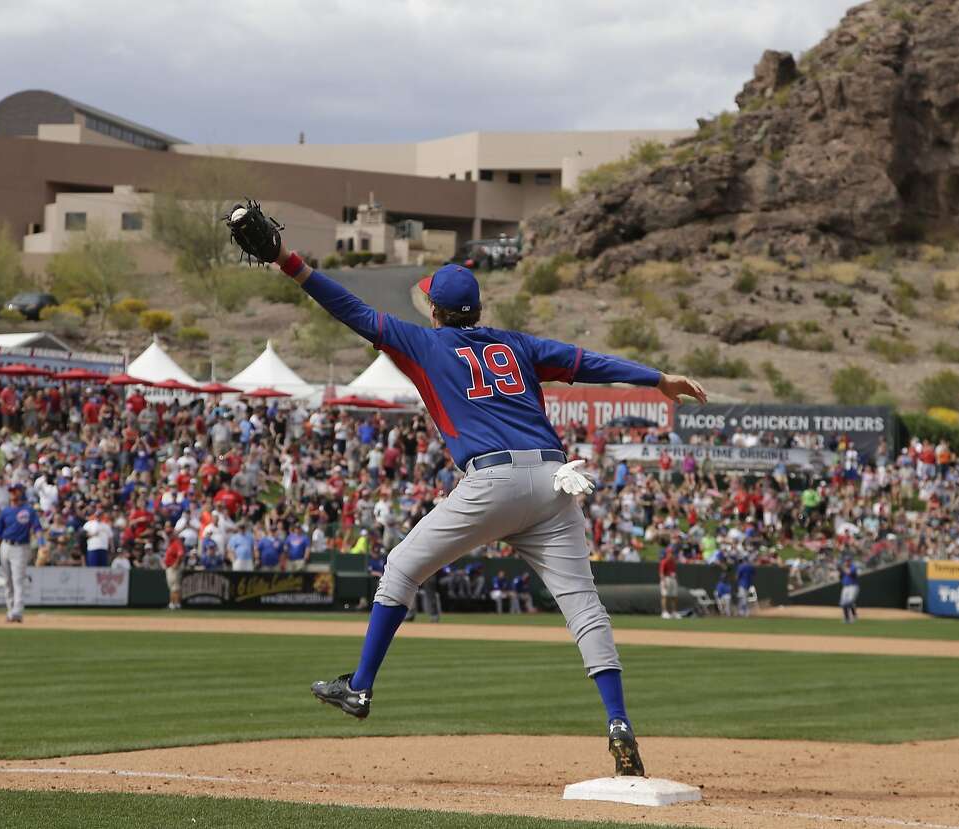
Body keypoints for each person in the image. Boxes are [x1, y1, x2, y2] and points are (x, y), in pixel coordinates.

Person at [234, 223, 705, 778]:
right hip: (556, 481)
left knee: (402, 570)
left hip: (492, 480)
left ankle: (359, 688)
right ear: (475, 310)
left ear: (435, 310)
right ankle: (619, 722)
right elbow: (589, 361)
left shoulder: (424, 342)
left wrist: (289, 260)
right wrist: (656, 378)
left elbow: (351, 309)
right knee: (583, 605)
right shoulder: (518, 345)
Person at [0, 483, 42, 623]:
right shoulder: (5, 511)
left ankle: (17, 612)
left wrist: (42, 544)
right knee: (8, 581)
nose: (13, 493)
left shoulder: (28, 510)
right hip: (5, 546)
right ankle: (11, 610)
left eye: (15, 491)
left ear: (21, 492)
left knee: (18, 580)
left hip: (21, 547)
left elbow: (37, 528)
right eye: (11, 491)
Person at [658, 546, 679, 619]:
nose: (672, 555)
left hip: (673, 579)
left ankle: (674, 612)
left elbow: (674, 572)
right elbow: (661, 573)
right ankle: (664, 612)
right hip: (666, 579)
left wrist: (676, 580)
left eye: (673, 553)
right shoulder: (664, 561)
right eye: (671, 553)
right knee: (665, 596)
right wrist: (663, 582)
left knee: (674, 596)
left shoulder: (673, 562)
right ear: (667, 554)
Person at [839, 556, 859, 623]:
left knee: (849, 602)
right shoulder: (844, 568)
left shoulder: (853, 567)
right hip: (845, 587)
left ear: (850, 561)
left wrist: (843, 567)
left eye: (848, 561)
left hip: (853, 586)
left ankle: (851, 617)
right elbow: (841, 576)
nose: (847, 562)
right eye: (846, 561)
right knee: (843, 603)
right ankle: (848, 618)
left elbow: (849, 572)